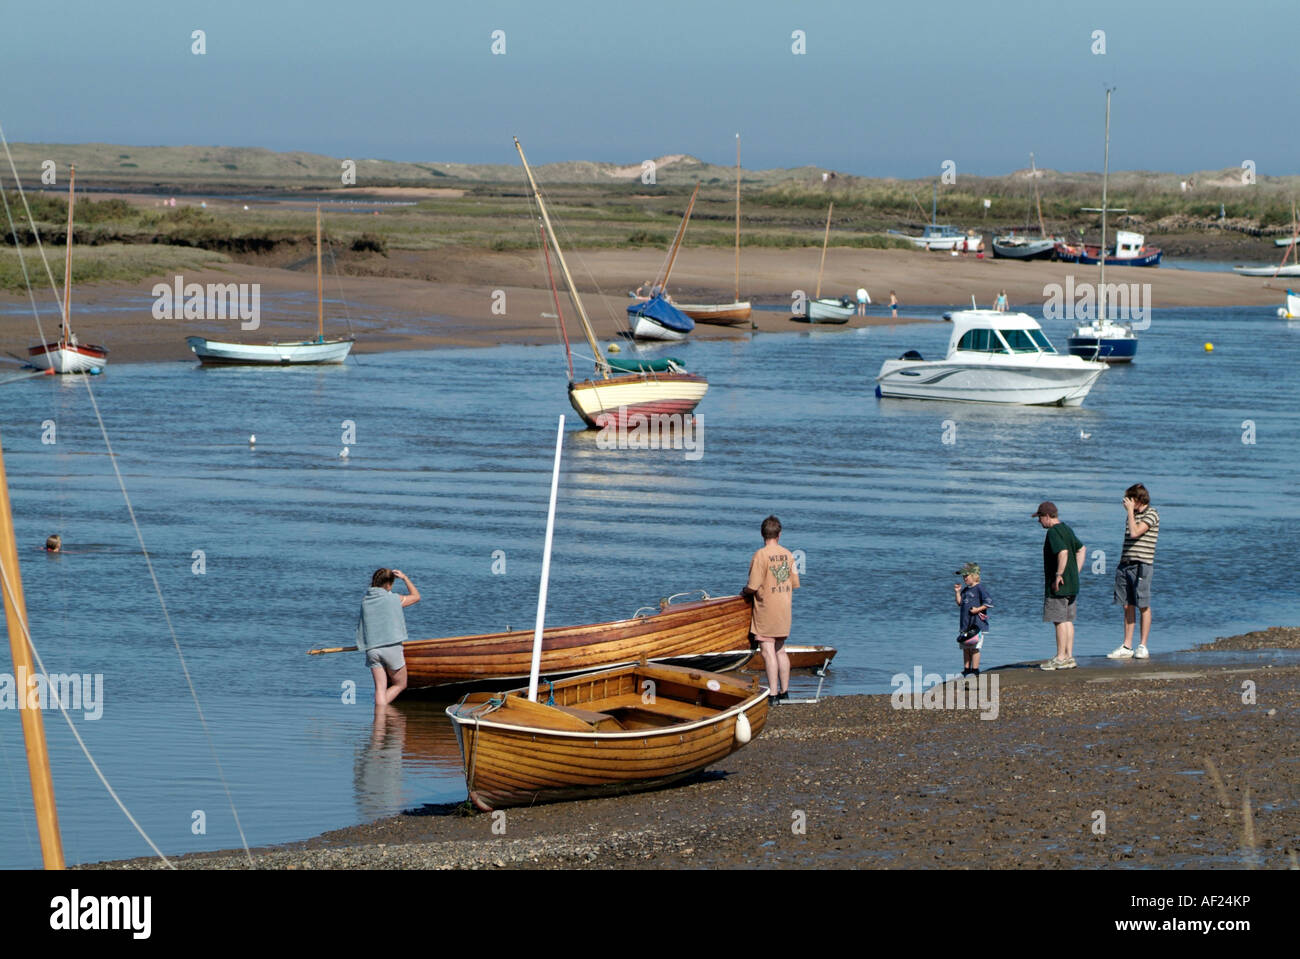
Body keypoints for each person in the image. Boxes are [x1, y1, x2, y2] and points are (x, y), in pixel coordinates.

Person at [743, 515, 800, 704]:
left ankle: (773, 694)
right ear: (779, 534)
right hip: (784, 607)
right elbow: (794, 583)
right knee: (780, 650)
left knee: (767, 650)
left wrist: (744, 591)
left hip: (766, 608)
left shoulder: (761, 554)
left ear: (762, 534)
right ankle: (785, 691)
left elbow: (753, 585)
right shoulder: (789, 554)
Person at [1108, 483, 1159, 659]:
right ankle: (1127, 645)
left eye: (1130, 499)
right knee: (1127, 604)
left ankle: (1143, 645)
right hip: (1125, 563)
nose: (1126, 503)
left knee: (1143, 604)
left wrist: (1130, 512)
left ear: (1138, 499)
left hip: (1142, 564)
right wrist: (1131, 513)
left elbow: (1136, 533)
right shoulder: (1132, 515)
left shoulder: (1152, 514)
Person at [1034, 501, 1085, 670]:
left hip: (1059, 584)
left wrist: (1059, 575)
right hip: (1072, 583)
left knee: (1059, 620)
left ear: (1047, 516)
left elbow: (1063, 552)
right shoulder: (1066, 529)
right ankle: (1069, 656)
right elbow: (1082, 549)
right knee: (1068, 620)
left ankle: (1060, 657)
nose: (1039, 521)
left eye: (1040, 517)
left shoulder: (1054, 532)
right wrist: (1074, 572)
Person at [357, 568, 419, 705]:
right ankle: (382, 711)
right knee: (400, 684)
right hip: (391, 648)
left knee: (380, 689)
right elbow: (416, 596)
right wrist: (405, 578)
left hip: (372, 649)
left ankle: (378, 721)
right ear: (389, 584)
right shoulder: (394, 599)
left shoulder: (365, 600)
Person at [953, 562, 991, 678]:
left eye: (966, 576)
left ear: (974, 576)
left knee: (975, 648)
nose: (964, 578)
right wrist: (958, 592)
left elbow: (988, 603)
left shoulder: (979, 588)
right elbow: (960, 603)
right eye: (963, 576)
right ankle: (966, 669)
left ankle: (975, 670)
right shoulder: (965, 590)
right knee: (965, 649)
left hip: (977, 626)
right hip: (965, 625)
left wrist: (977, 609)